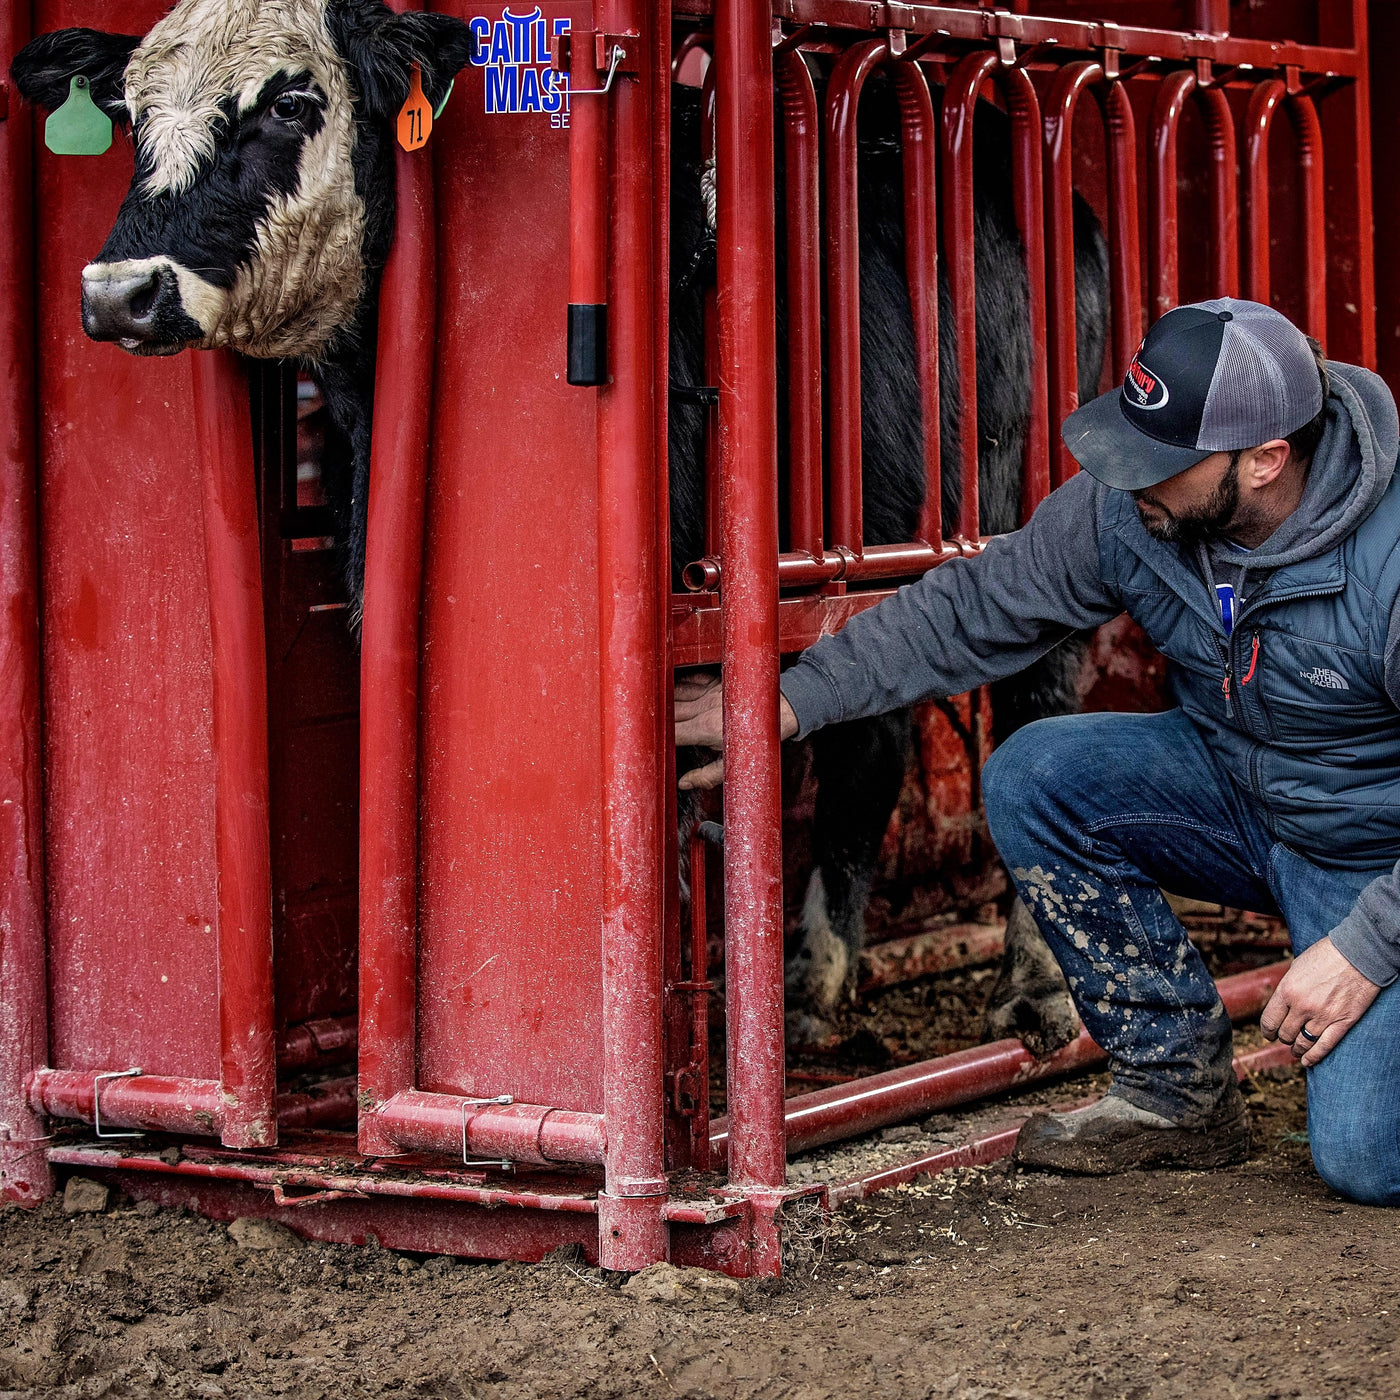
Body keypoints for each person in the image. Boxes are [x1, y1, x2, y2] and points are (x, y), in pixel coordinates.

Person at [675, 298, 1400, 1205]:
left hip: (1374, 855)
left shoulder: (1390, 557)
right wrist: (784, 702)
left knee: (1369, 1159)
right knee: (1039, 775)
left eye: (1163, 462)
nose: (1131, 479)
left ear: (1264, 460)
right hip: (1246, 797)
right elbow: (977, 606)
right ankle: (1176, 1092)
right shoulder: (1142, 514)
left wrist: (1368, 947)